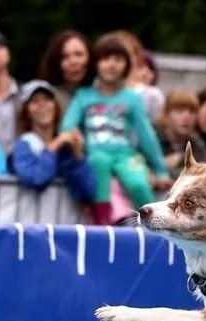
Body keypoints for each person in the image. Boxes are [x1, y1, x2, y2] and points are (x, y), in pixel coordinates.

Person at [61, 33, 170, 225]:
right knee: (99, 162)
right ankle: (102, 223)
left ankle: (156, 227)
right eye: (106, 58)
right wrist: (73, 136)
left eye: (118, 59)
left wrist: (160, 170)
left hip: (126, 154)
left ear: (127, 65)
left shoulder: (132, 98)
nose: (111, 64)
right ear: (96, 63)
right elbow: (68, 126)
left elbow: (146, 135)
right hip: (95, 152)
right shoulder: (84, 95)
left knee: (138, 182)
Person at [12, 80, 95, 213]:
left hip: (67, 224)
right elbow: (36, 179)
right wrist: (54, 146)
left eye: (47, 99)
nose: (42, 105)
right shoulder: (23, 145)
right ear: (26, 111)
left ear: (56, 106)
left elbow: (87, 190)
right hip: (32, 223)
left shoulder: (66, 145)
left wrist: (78, 156)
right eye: (34, 101)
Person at [156, 89, 206, 179]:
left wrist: (181, 159)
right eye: (179, 111)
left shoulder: (194, 140)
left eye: (192, 112)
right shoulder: (153, 137)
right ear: (166, 115)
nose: (186, 117)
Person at [38, 30, 93, 110]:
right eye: (65, 57)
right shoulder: (47, 97)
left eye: (78, 54)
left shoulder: (103, 92)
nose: (73, 62)